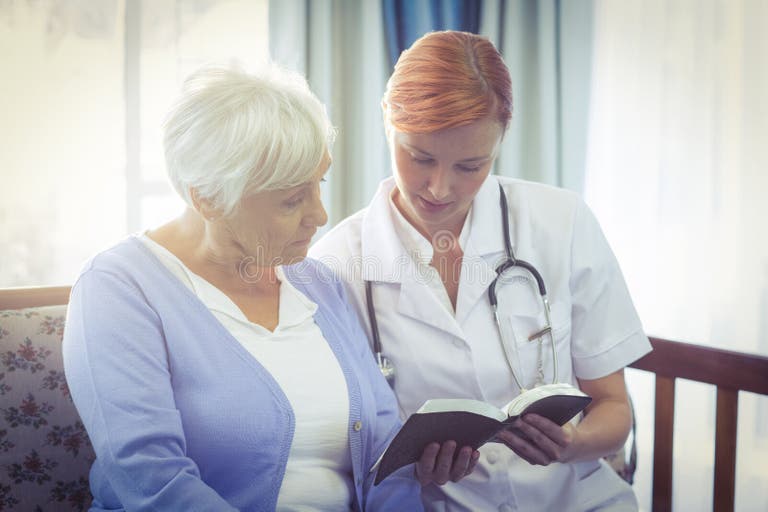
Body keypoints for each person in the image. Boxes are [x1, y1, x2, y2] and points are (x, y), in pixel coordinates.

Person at [62, 64, 478, 511]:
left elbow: (383, 458)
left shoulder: (316, 283)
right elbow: (150, 479)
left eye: (318, 185)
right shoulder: (118, 290)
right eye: (291, 200)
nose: (319, 215)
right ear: (207, 197)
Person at [310, 30, 653, 511]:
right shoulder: (337, 264)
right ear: (388, 123)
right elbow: (344, 452)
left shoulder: (561, 222)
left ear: (501, 139)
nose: (439, 188)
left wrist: (572, 443)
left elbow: (614, 409)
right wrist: (413, 467)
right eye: (420, 158)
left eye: (471, 165)